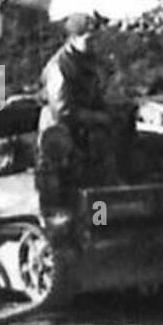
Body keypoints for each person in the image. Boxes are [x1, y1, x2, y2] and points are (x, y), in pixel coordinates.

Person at [37, 13, 119, 195]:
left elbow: (99, 93)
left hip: (88, 131)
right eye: (89, 39)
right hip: (63, 137)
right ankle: (94, 220)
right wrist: (99, 117)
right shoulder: (60, 66)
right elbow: (63, 111)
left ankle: (103, 219)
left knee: (101, 189)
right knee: (78, 192)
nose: (94, 43)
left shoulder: (88, 60)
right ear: (73, 38)